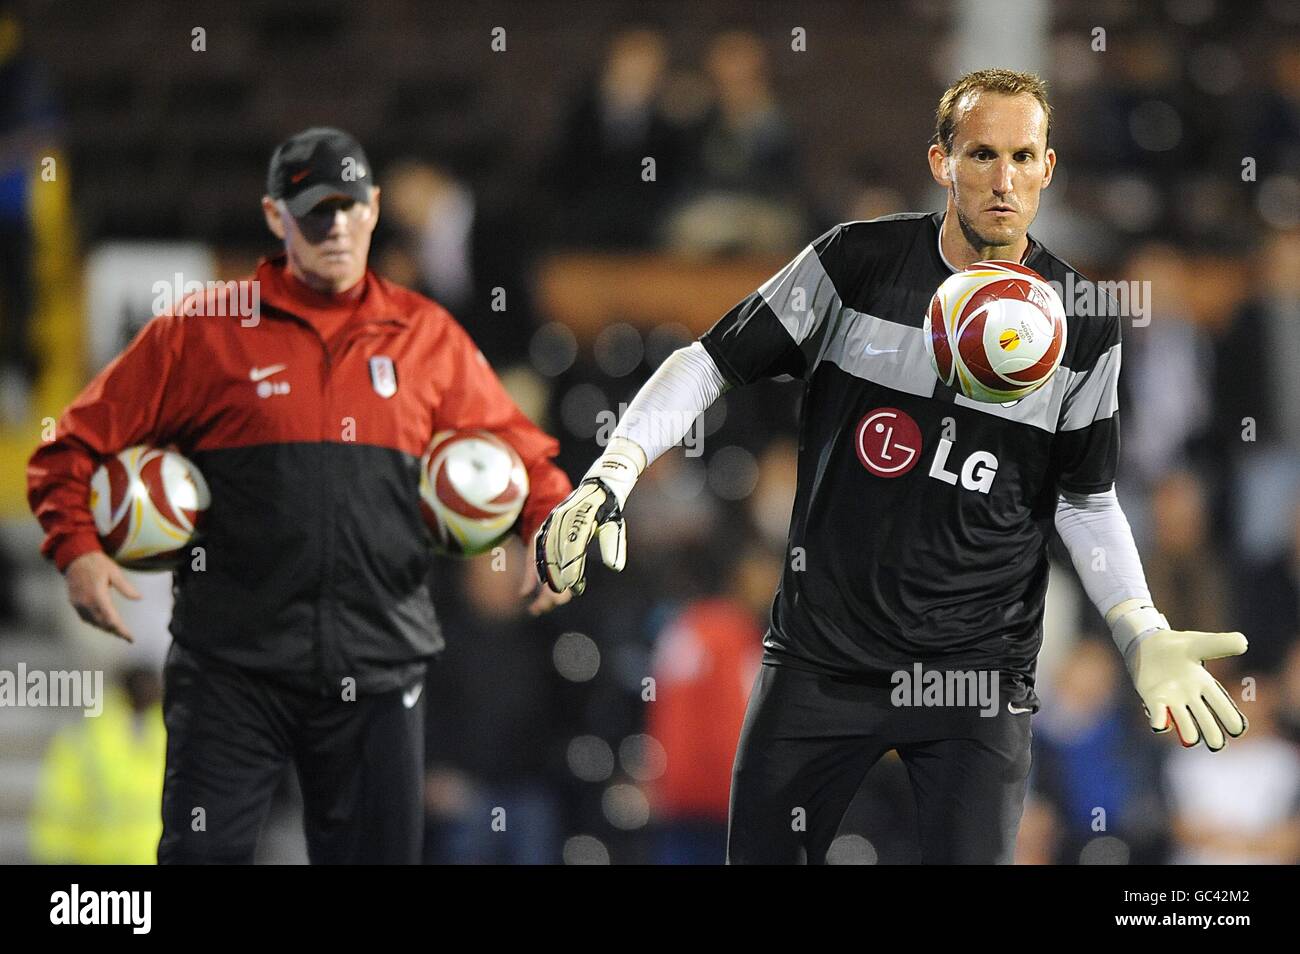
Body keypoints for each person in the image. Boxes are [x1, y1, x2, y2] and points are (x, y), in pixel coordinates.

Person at [536, 69, 1249, 864]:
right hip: (823, 662)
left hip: (976, 681)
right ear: (942, 162)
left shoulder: (1083, 325)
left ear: (1049, 168)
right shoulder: (856, 263)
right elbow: (708, 363)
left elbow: (1084, 500)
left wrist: (1139, 626)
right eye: (982, 155)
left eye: (1024, 156)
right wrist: (614, 470)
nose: (1004, 180)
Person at [28, 127, 572, 864]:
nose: (337, 227)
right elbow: (70, 442)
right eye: (316, 211)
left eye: (350, 208)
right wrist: (77, 546)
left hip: (377, 669)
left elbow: (524, 452)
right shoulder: (205, 332)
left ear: (377, 209)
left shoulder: (427, 338)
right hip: (232, 668)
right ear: (274, 216)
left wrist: (547, 530)